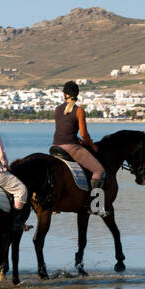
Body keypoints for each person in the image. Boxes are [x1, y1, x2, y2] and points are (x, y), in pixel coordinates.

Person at [52, 81, 107, 214]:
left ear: (64, 94)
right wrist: (91, 145)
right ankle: (95, 207)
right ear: (77, 94)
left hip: (54, 146)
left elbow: (64, 131)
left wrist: (80, 141)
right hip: (71, 148)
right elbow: (84, 133)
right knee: (99, 171)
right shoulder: (79, 110)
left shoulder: (57, 109)